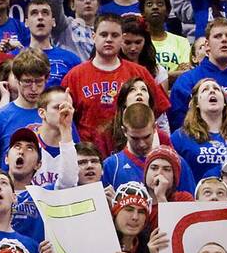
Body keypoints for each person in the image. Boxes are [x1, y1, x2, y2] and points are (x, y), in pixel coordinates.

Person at [62, 14, 169, 157]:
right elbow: (66, 119)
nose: (109, 39)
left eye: (115, 35)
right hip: (90, 156)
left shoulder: (139, 72)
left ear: (121, 39)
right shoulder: (75, 76)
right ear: (94, 37)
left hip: (132, 153)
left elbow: (158, 110)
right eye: (103, 34)